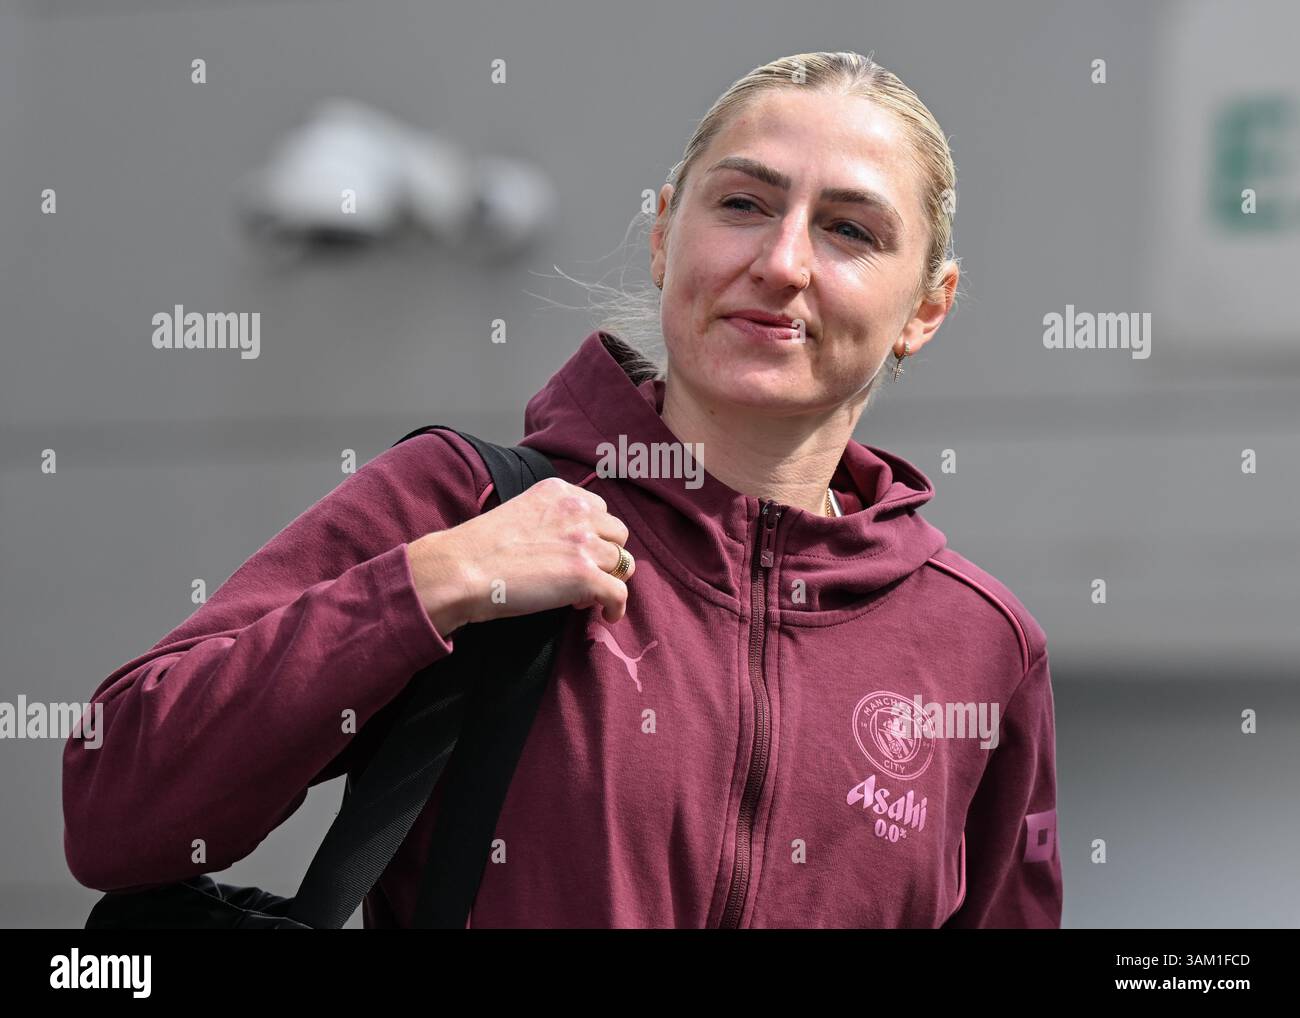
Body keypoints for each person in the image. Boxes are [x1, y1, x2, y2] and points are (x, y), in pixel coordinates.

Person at [63, 51, 1062, 928]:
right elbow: (118, 812)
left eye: (848, 229)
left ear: (925, 308)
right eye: (744, 204)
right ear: (668, 235)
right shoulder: (462, 502)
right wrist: (427, 583)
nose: (782, 261)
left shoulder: (978, 642)